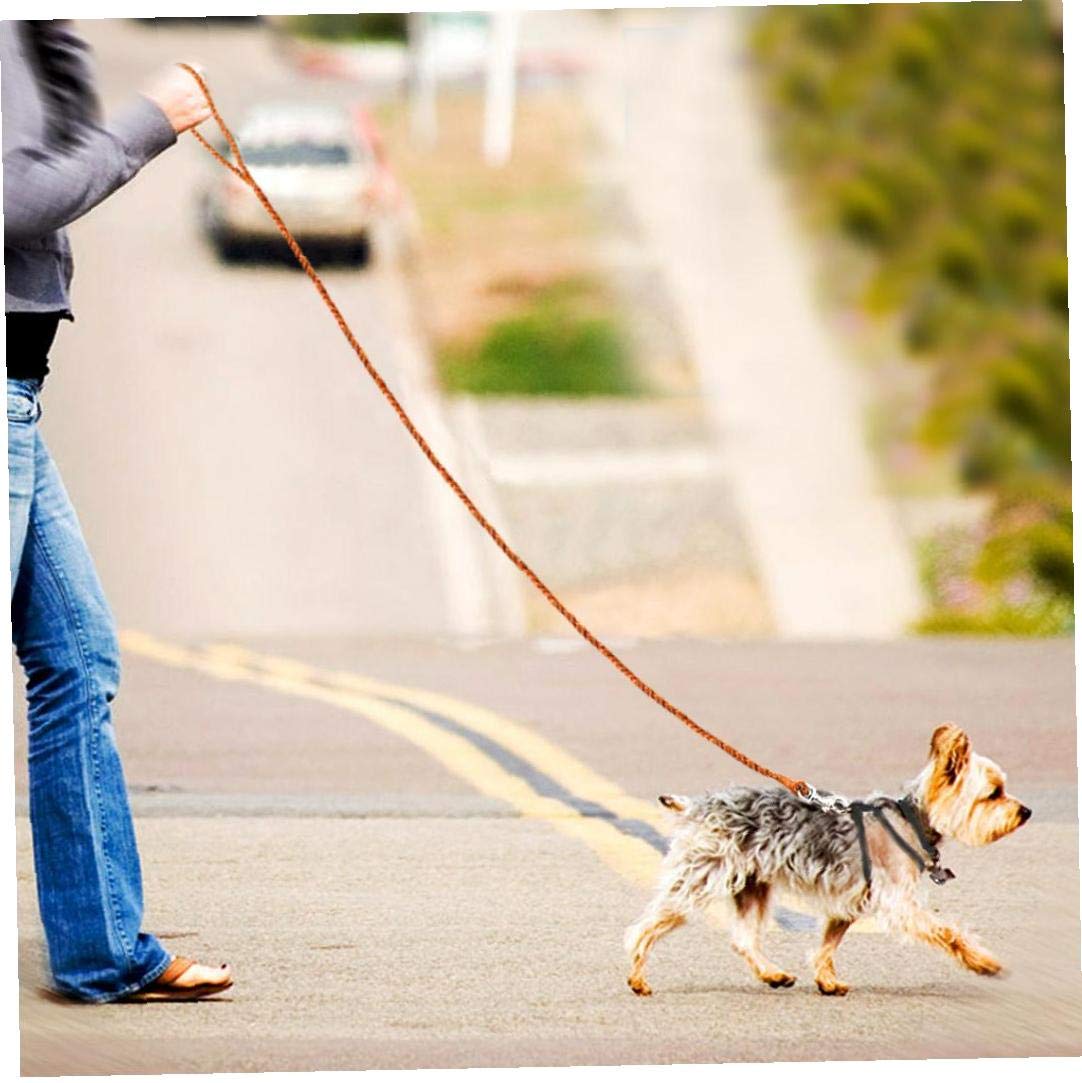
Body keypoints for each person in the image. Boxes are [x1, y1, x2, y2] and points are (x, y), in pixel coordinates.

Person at [3, 19, 233, 1003]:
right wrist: (155, 120)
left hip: (17, 399)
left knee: (78, 655)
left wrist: (51, 35)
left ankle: (100, 953)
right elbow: (17, 199)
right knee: (75, 659)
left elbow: (60, 142)